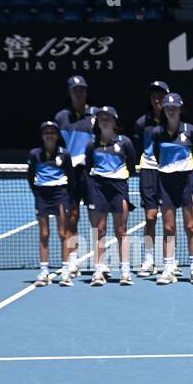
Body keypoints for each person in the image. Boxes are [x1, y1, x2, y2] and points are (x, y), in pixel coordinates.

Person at [150, 93, 193, 285]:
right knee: (168, 227)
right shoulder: (157, 132)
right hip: (165, 182)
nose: (171, 110)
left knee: (190, 226)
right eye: (167, 108)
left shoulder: (191, 131)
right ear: (163, 111)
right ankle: (168, 268)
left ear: (181, 109)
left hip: (187, 181)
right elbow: (157, 155)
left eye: (174, 107)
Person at [83, 106, 136, 286]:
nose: (104, 120)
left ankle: (125, 270)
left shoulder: (125, 142)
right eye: (101, 118)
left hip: (119, 188)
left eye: (107, 117)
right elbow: (88, 168)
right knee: (100, 230)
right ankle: (99, 270)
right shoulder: (92, 145)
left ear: (114, 121)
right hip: (99, 189)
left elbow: (132, 166)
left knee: (121, 230)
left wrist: (118, 179)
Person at [54, 75, 94, 271]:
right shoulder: (61, 118)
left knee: (97, 217)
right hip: (70, 175)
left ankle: (99, 262)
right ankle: (73, 259)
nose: (79, 93)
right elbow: (56, 147)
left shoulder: (95, 116)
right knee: (72, 216)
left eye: (82, 90)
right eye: (75, 90)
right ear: (69, 93)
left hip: (91, 174)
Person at [29, 121, 75, 287]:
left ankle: (65, 271)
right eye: (46, 132)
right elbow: (30, 177)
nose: (49, 135)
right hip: (42, 196)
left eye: (52, 133)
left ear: (57, 136)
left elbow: (71, 178)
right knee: (44, 233)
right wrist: (38, 193)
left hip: (60, 195)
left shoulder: (65, 154)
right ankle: (44, 271)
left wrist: (66, 196)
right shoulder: (35, 154)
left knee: (63, 233)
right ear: (42, 135)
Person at [134, 80, 170, 277]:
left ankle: (168, 261)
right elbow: (138, 148)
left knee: (168, 220)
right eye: (154, 95)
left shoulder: (173, 120)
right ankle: (148, 258)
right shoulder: (142, 123)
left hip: (168, 172)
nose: (157, 98)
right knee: (150, 217)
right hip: (148, 171)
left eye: (161, 94)